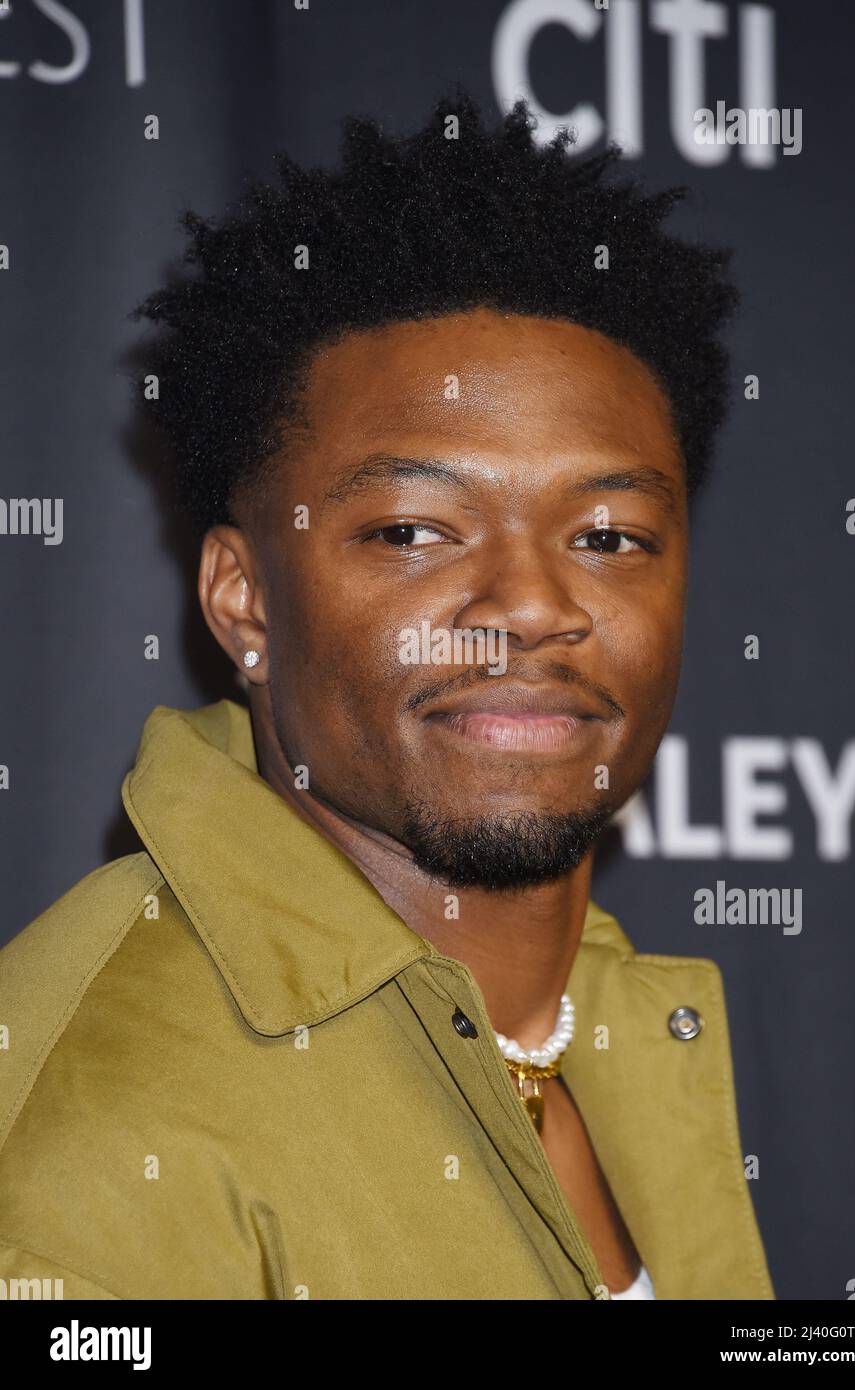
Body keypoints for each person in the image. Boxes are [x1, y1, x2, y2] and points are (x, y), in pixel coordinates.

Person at [0, 85, 774, 1301]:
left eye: (610, 533)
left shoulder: (610, 1018)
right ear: (244, 599)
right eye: (414, 528)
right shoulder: (88, 1150)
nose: (531, 604)